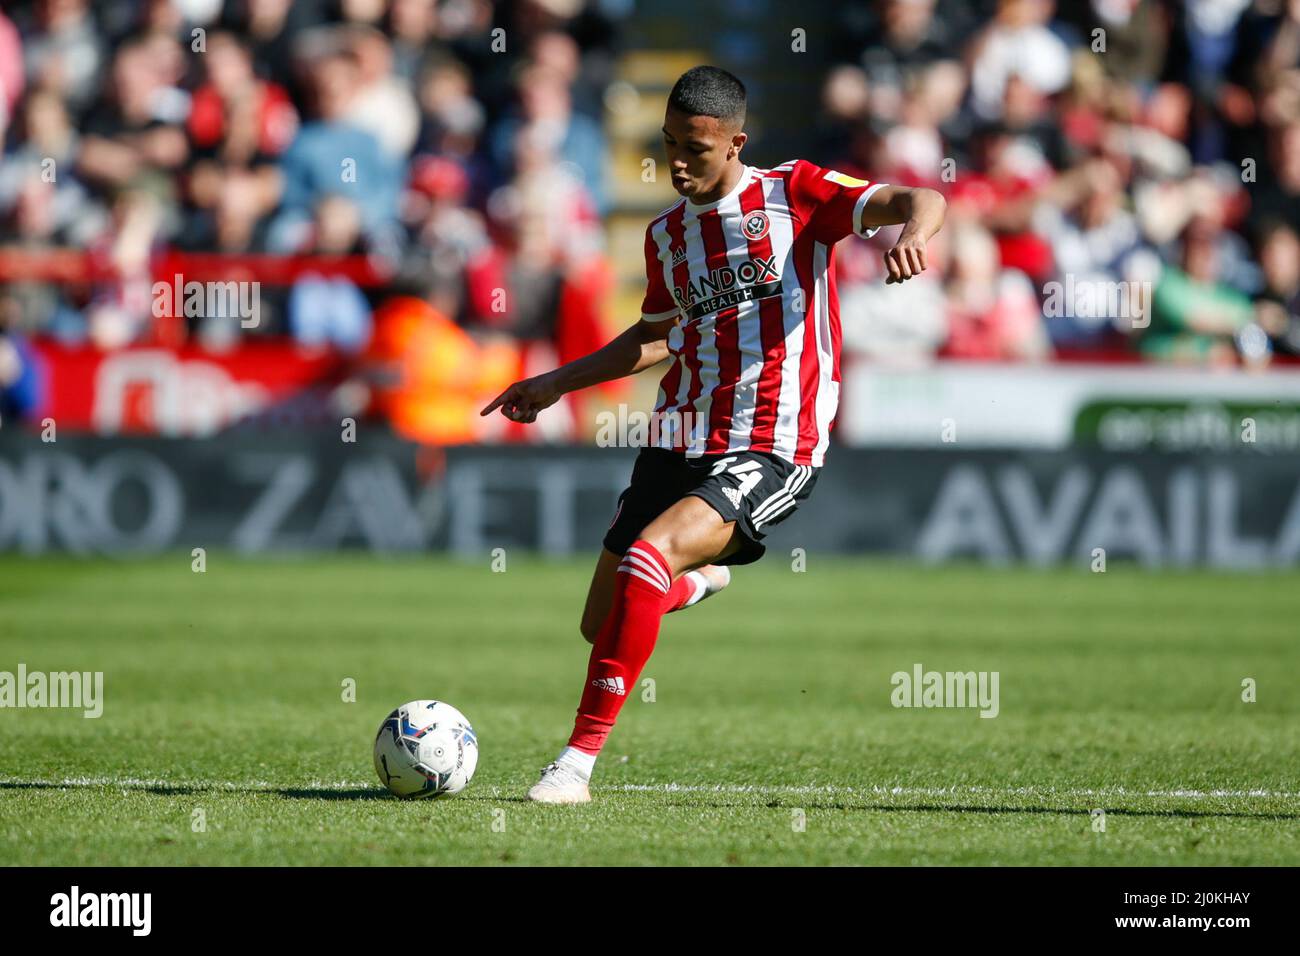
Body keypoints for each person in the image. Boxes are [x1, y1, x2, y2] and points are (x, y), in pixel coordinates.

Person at [481, 66, 946, 803]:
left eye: (693, 149)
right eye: (668, 145)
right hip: (680, 430)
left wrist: (913, 237)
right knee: (600, 623)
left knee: (644, 560)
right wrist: (554, 383)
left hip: (773, 439)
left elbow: (922, 197)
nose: (675, 164)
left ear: (735, 143)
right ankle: (693, 582)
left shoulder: (795, 193)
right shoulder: (667, 235)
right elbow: (657, 337)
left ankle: (574, 765)